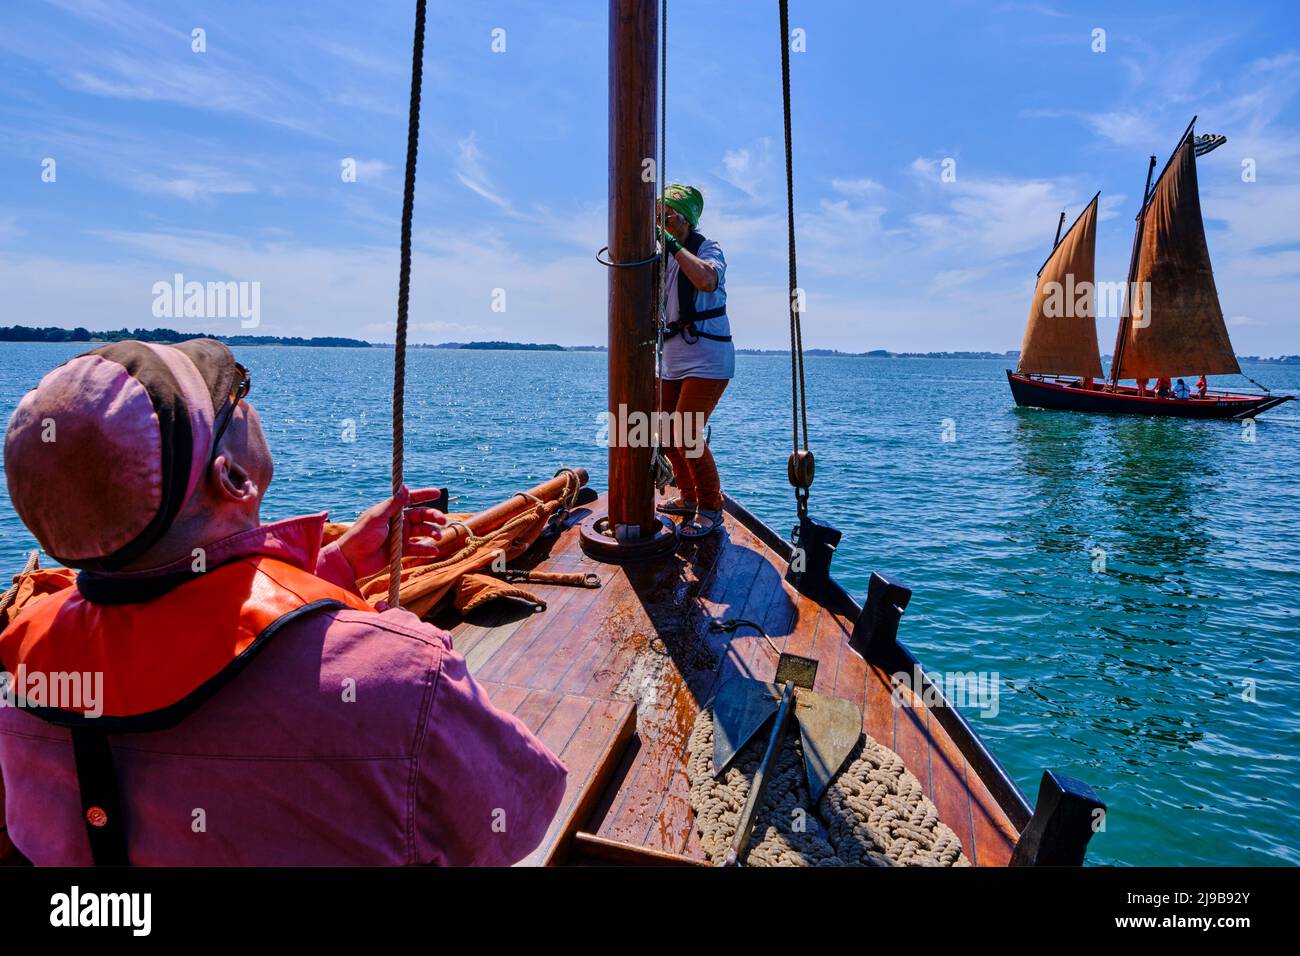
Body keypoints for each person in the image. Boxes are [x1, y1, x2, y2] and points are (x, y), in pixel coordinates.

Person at [0, 339, 566, 865]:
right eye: (236, 396)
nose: (248, 403)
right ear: (234, 478)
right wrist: (388, 641)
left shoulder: (21, 674)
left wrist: (337, 568)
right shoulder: (402, 675)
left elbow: (175, 629)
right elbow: (522, 814)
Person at [654, 183, 734, 539]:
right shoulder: (661, 259)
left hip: (707, 356)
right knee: (663, 430)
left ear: (684, 220)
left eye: (666, 216)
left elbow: (704, 279)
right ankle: (687, 497)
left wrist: (672, 246)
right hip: (674, 356)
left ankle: (711, 507)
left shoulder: (707, 249)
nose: (660, 223)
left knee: (686, 432)